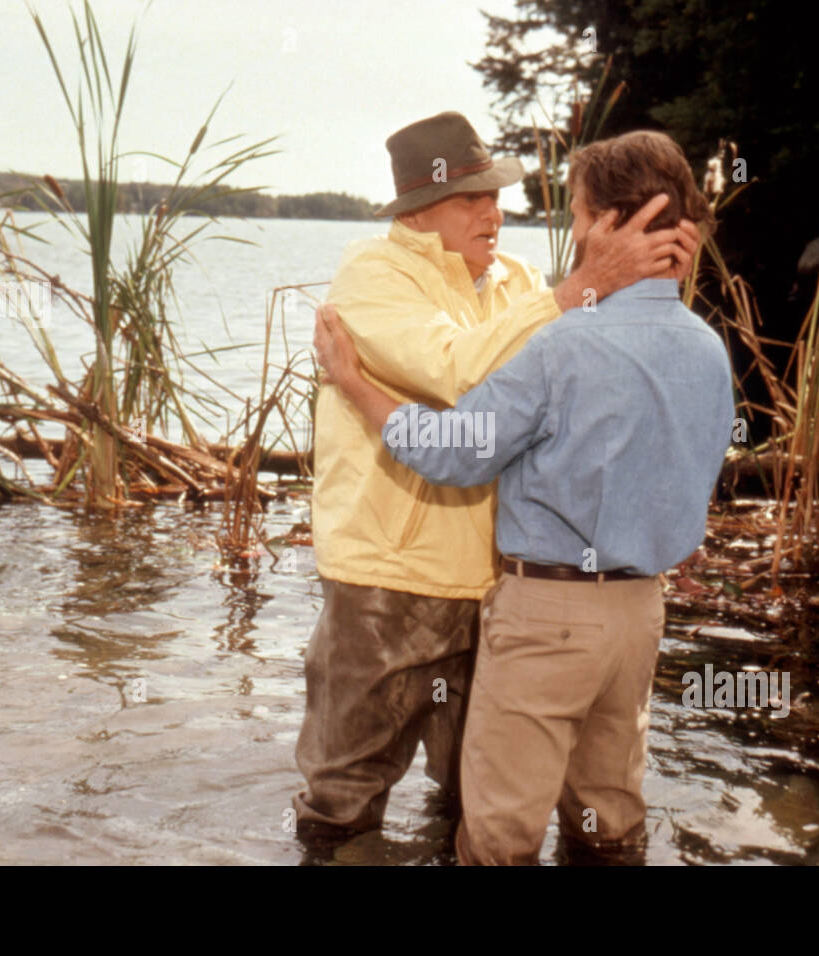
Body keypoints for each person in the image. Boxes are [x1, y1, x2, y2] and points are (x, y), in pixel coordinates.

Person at [313, 129, 734, 864]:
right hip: (396, 578)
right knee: (350, 797)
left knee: (486, 816)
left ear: (609, 222)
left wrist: (354, 385)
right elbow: (455, 370)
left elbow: (459, 444)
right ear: (417, 210)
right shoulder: (374, 277)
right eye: (471, 198)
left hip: (520, 597)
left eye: (499, 196)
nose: (495, 213)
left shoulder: (528, 295)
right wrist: (591, 290)